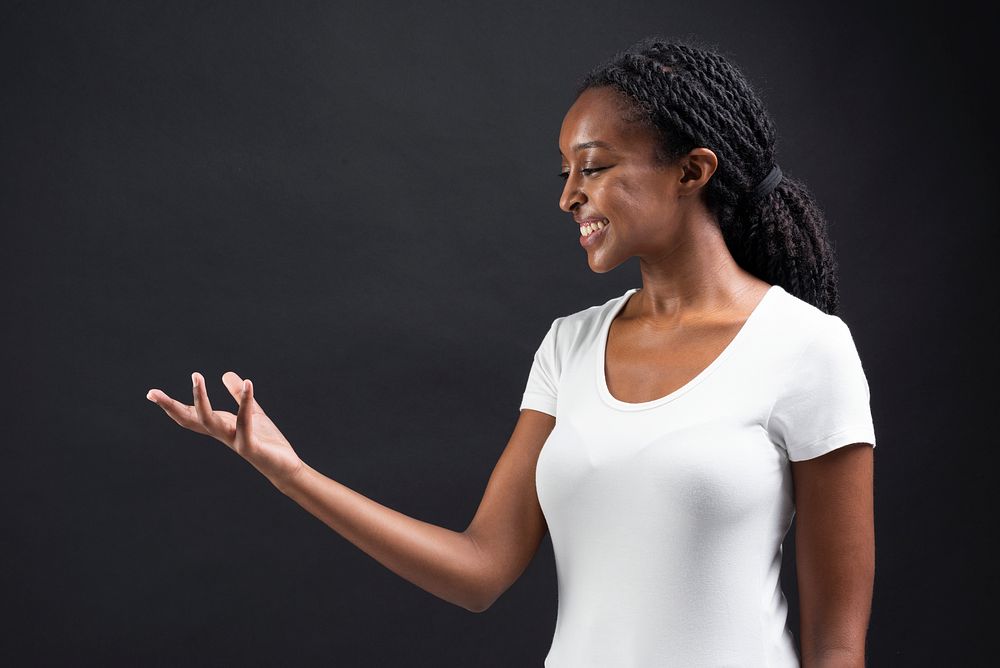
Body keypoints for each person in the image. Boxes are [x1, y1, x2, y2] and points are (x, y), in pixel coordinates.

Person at [146, 36, 877, 668]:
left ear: (692, 171)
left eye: (591, 167)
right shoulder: (570, 345)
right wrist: (290, 471)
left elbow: (837, 645)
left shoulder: (807, 349)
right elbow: (480, 569)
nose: (568, 197)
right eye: (565, 173)